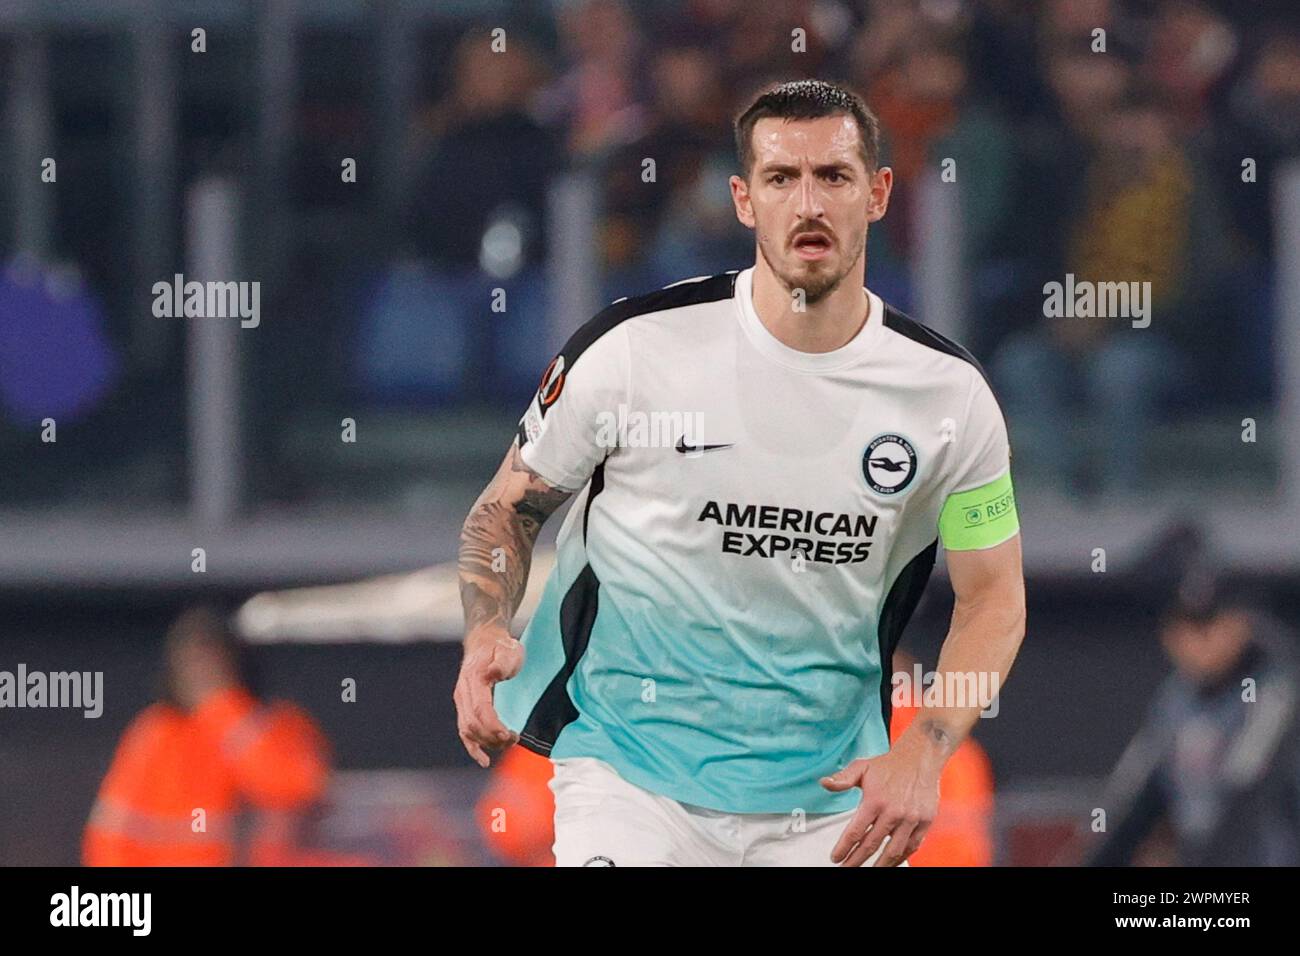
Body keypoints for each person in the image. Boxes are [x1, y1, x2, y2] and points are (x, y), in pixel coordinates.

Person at [455, 79, 1026, 867]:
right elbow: (507, 511)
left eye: (833, 176)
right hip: (628, 775)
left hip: (824, 801)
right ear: (743, 199)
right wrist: (485, 626)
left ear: (880, 192)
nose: (809, 204)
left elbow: (993, 597)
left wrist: (926, 746)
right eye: (781, 179)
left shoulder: (950, 400)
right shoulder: (631, 350)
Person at [84, 606, 334, 866]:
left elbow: (296, 789)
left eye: (210, 664)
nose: (200, 675)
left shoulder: (279, 723)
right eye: (190, 665)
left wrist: (222, 709)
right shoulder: (157, 732)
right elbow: (110, 835)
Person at [1085, 570, 1300, 867]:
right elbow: (1134, 803)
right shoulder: (1175, 698)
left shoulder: (1275, 690)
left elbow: (1246, 789)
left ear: (1239, 624)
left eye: (1207, 626)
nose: (1192, 643)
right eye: (1182, 628)